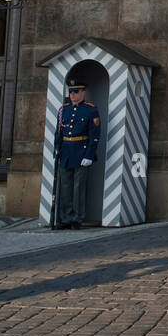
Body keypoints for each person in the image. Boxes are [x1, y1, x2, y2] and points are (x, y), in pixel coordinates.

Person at [54, 77, 100, 229]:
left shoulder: (90, 109)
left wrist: (89, 155)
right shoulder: (64, 110)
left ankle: (77, 218)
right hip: (66, 151)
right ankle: (65, 218)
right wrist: (57, 149)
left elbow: (95, 135)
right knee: (65, 186)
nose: (73, 95)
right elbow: (59, 132)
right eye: (71, 92)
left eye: (76, 92)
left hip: (81, 151)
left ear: (83, 92)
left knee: (78, 188)